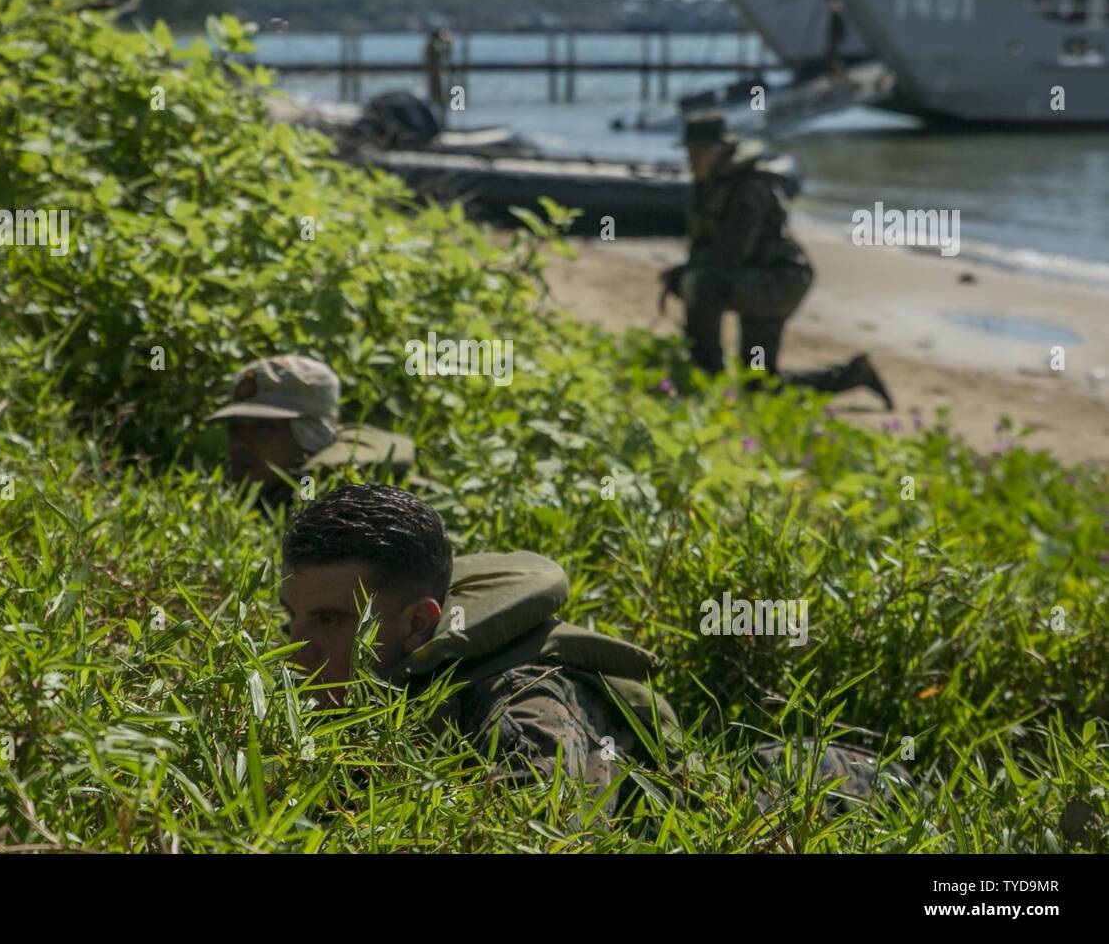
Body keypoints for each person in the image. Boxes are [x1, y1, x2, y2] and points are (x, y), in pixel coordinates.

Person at [278, 483, 913, 818]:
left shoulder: (523, 708)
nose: (296, 649)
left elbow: (559, 837)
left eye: (332, 620)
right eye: (291, 618)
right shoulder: (356, 680)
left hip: (822, 791)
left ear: (420, 625)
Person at [660, 110, 894, 409]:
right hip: (752, 282)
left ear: (719, 152)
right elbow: (704, 250)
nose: (691, 161)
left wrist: (686, 274)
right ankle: (852, 376)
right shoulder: (703, 189)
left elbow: (729, 256)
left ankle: (708, 381)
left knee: (703, 286)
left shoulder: (750, 188)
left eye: (698, 153)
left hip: (778, 283)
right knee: (758, 383)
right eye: (689, 153)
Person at [205, 355, 414, 498]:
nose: (239, 445)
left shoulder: (345, 499)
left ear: (312, 433)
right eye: (235, 427)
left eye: (263, 428)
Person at [422, 28, 452, 126]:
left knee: (437, 102)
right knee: (439, 101)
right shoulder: (432, 48)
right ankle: (440, 124)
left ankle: (440, 123)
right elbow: (445, 52)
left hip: (435, 78)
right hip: (435, 79)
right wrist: (447, 40)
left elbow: (445, 53)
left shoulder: (431, 47)